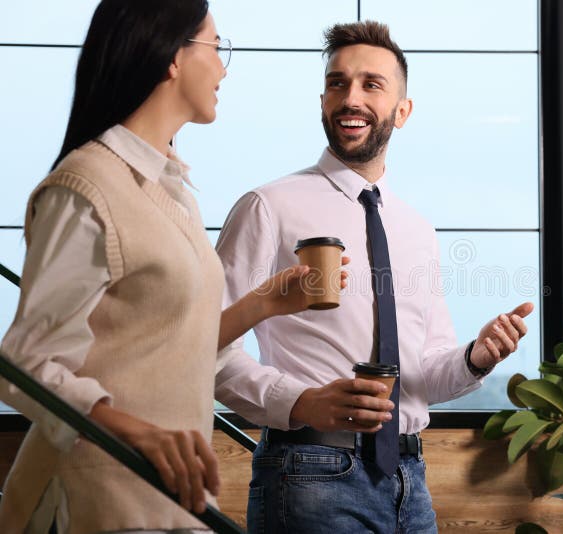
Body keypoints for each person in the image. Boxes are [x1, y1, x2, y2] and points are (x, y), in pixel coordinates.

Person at [0, 1, 347, 532]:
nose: (224, 67)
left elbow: (168, 350)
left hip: (165, 499)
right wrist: (136, 431)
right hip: (99, 499)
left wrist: (262, 305)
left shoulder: (170, 188)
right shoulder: (85, 188)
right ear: (172, 57)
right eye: (216, 46)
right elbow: (27, 363)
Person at [214, 21, 534, 533]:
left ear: (402, 111)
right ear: (323, 101)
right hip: (309, 473)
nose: (351, 98)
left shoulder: (416, 230)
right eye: (337, 83)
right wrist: (302, 403)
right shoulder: (267, 207)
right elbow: (207, 350)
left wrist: (477, 356)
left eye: (371, 85)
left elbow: (424, 376)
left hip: (411, 481)